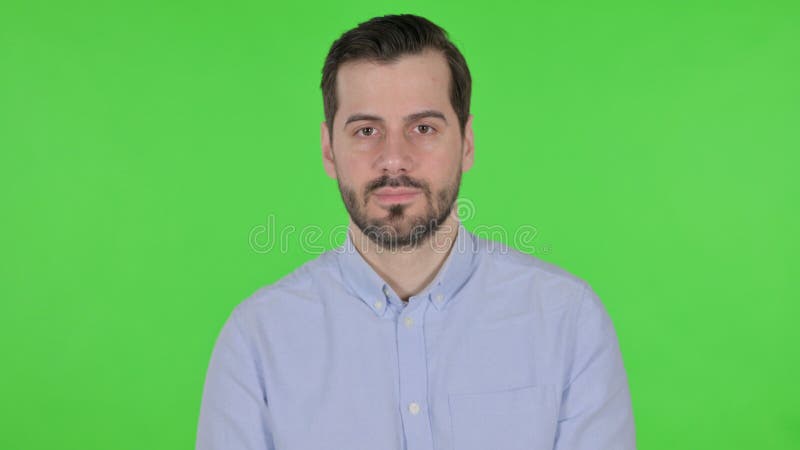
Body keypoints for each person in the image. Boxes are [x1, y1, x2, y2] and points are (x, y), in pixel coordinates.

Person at [196, 13, 636, 450]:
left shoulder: (568, 320)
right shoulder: (257, 340)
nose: (394, 159)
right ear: (329, 149)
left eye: (422, 128)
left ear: (466, 143)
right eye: (366, 130)